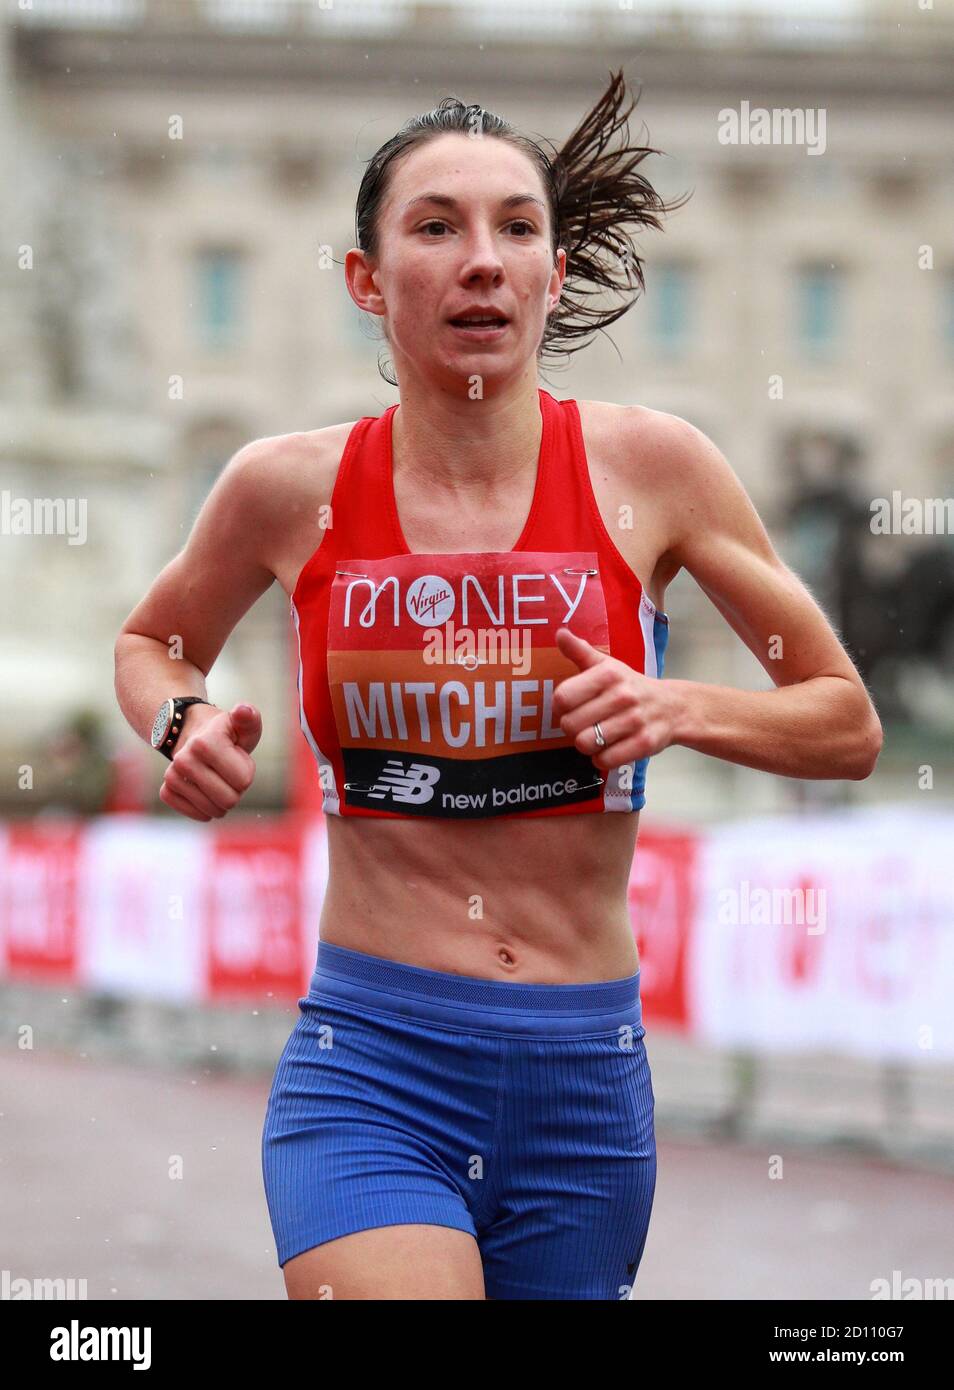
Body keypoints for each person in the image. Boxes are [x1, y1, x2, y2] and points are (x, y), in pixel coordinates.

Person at [114, 71, 883, 1300]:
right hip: (371, 1057)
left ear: (553, 272)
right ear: (367, 280)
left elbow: (844, 723)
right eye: (436, 227)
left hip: (582, 1074)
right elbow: (153, 640)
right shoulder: (282, 487)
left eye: (516, 228)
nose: (483, 260)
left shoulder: (659, 469)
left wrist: (677, 706)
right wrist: (183, 719)